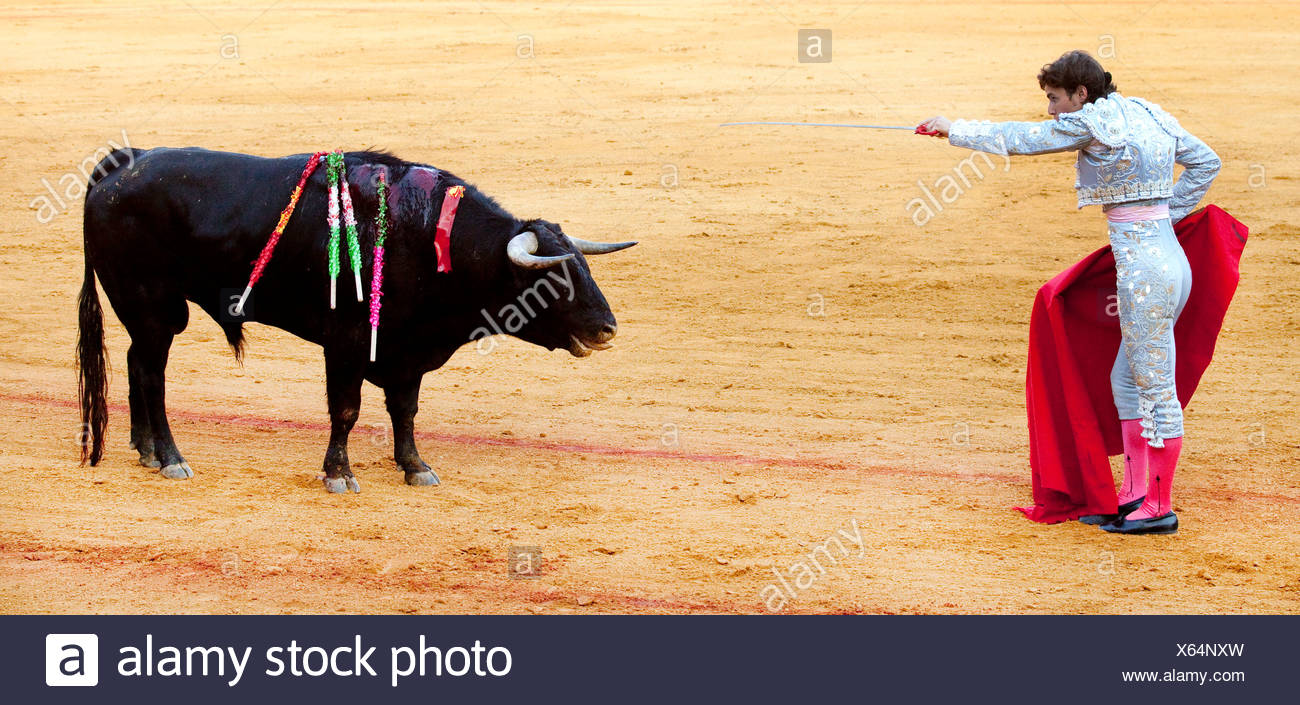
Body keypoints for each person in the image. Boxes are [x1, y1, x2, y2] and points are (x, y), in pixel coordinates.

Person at [919, 50, 1221, 535]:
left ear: (1081, 94)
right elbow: (1206, 162)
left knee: (1153, 388)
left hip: (1146, 273)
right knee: (1128, 381)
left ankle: (1159, 507)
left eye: (1055, 98)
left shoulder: (1094, 121)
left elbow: (1023, 139)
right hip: (1169, 263)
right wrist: (1168, 215)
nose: (1051, 109)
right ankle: (1135, 492)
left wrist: (953, 128)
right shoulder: (1146, 111)